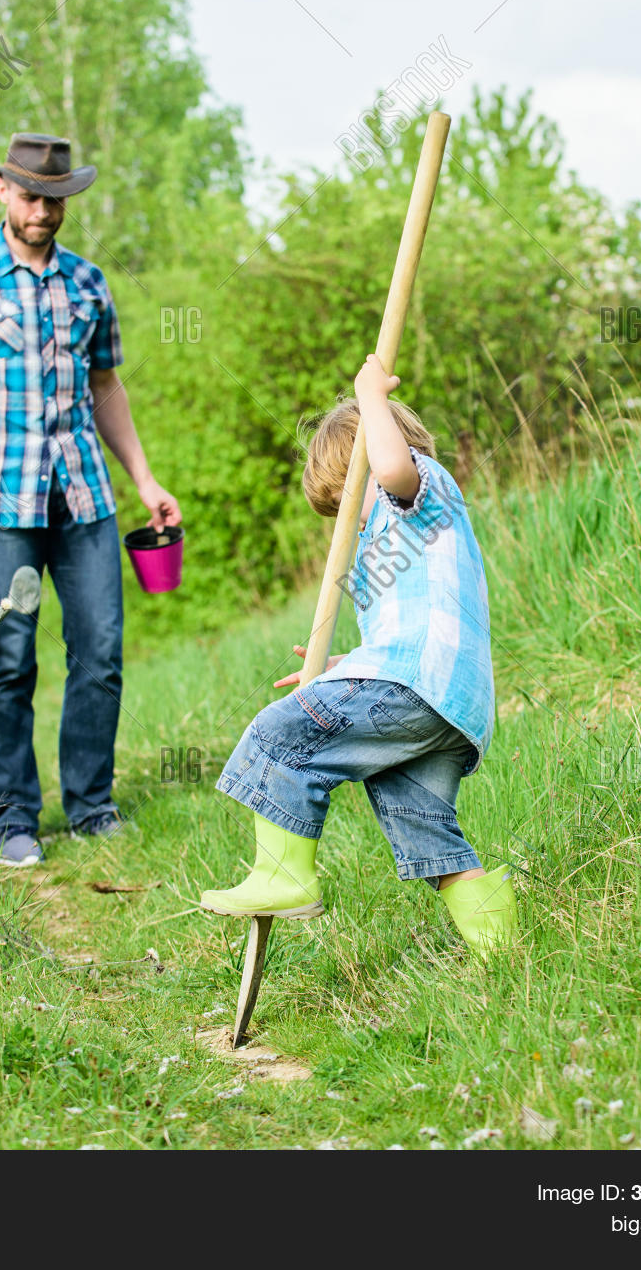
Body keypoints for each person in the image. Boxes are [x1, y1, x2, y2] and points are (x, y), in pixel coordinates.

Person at [0, 133, 181, 867]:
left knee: (100, 653)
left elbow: (106, 389)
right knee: (9, 658)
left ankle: (91, 806)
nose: (43, 210)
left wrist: (145, 481)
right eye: (30, 196)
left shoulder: (89, 283)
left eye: (55, 199)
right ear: (2, 190)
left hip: (84, 495)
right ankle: (13, 819)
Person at [201, 353, 517, 953]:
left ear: (367, 460)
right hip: (446, 704)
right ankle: (502, 953)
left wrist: (369, 395)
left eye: (348, 500)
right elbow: (410, 622)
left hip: (418, 685)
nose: (349, 520)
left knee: (282, 734)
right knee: (424, 831)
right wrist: (348, 667)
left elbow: (393, 467)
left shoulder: (419, 484)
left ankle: (284, 876)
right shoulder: (396, 539)